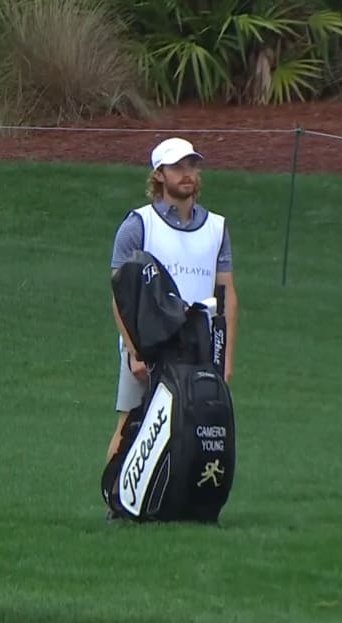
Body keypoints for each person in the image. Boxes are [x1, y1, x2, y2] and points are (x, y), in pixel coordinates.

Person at [106, 137, 238, 474]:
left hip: (199, 345)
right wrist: (134, 353)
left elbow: (227, 294)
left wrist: (226, 358)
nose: (187, 173)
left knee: (191, 425)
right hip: (149, 344)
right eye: (177, 167)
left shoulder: (216, 227)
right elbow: (119, 295)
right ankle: (118, 500)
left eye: (192, 165)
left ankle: (179, 501)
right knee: (131, 425)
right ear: (159, 175)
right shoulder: (138, 225)